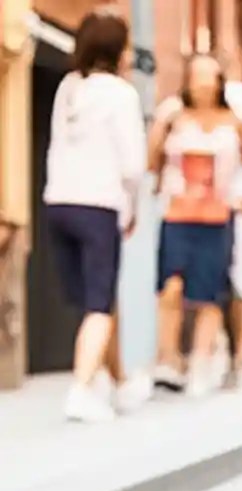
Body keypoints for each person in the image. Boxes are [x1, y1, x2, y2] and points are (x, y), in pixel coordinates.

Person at [41, 10, 151, 422]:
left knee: (96, 300)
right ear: (117, 50)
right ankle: (81, 389)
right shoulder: (120, 94)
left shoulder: (70, 87)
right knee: (99, 304)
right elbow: (133, 166)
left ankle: (119, 383)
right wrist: (133, 207)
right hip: (99, 204)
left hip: (58, 202)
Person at [152, 74, 242, 389]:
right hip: (178, 214)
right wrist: (159, 129)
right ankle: (168, 360)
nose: (201, 83)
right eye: (196, 75)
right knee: (170, 287)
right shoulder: (173, 118)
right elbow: (153, 163)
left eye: (209, 76)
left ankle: (202, 360)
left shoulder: (236, 122)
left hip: (219, 216)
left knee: (210, 292)